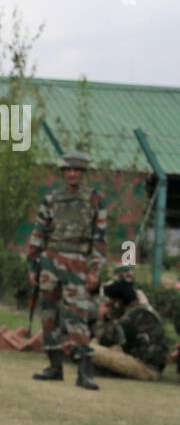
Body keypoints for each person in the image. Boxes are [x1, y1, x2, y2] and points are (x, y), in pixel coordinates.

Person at [27, 151, 107, 390]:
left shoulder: (94, 200)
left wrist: (95, 270)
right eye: (68, 170)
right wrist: (33, 264)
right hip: (50, 261)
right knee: (49, 315)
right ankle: (54, 367)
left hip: (78, 263)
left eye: (76, 170)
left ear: (83, 173)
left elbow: (100, 238)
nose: (72, 174)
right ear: (63, 173)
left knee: (77, 316)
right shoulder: (52, 199)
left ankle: (84, 372)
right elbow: (39, 232)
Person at [92, 277, 169, 380]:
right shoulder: (140, 310)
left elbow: (104, 340)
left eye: (110, 300)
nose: (108, 304)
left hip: (146, 369)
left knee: (92, 349)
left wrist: (103, 317)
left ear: (118, 302)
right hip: (146, 364)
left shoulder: (133, 315)